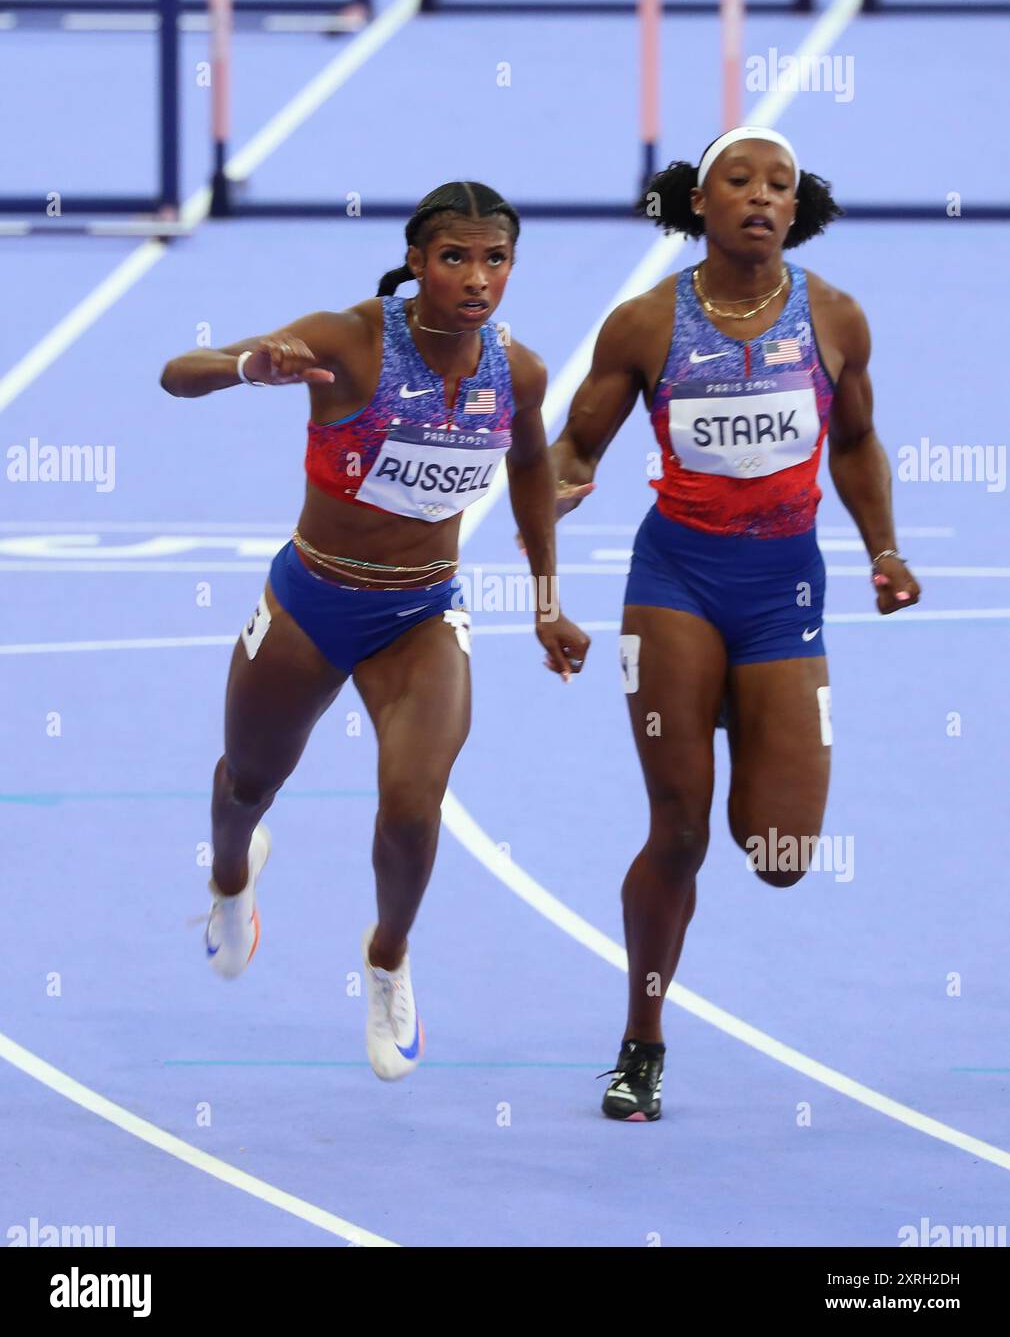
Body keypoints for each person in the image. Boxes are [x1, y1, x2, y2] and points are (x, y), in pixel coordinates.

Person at [160, 181, 589, 1081]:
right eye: (455, 258)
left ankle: (388, 958)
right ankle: (231, 883)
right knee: (247, 783)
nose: (477, 278)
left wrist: (547, 598)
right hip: (311, 603)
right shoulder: (348, 339)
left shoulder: (521, 372)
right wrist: (251, 368)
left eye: (496, 259)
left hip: (421, 615)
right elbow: (179, 373)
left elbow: (528, 471)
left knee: (410, 805)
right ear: (418, 262)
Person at [547, 127, 921, 1121]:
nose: (760, 196)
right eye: (738, 181)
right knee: (678, 829)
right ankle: (640, 1040)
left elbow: (853, 443)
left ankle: (733, 709)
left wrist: (881, 549)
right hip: (676, 582)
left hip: (783, 594)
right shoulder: (643, 325)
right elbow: (573, 449)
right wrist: (544, 491)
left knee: (780, 855)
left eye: (779, 186)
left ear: (794, 209)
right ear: (696, 203)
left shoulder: (834, 319)